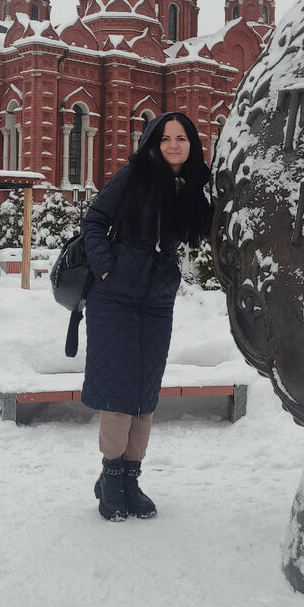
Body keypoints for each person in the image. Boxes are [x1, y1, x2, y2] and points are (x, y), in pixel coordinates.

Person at [82, 111, 213, 521]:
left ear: (192, 145)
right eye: (166, 137)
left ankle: (130, 478)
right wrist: (108, 269)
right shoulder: (132, 177)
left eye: (182, 138)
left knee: (145, 390)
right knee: (118, 389)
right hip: (115, 296)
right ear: (154, 142)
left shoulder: (191, 188)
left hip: (156, 298)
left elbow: (206, 230)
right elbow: (94, 223)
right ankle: (111, 476)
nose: (173, 144)